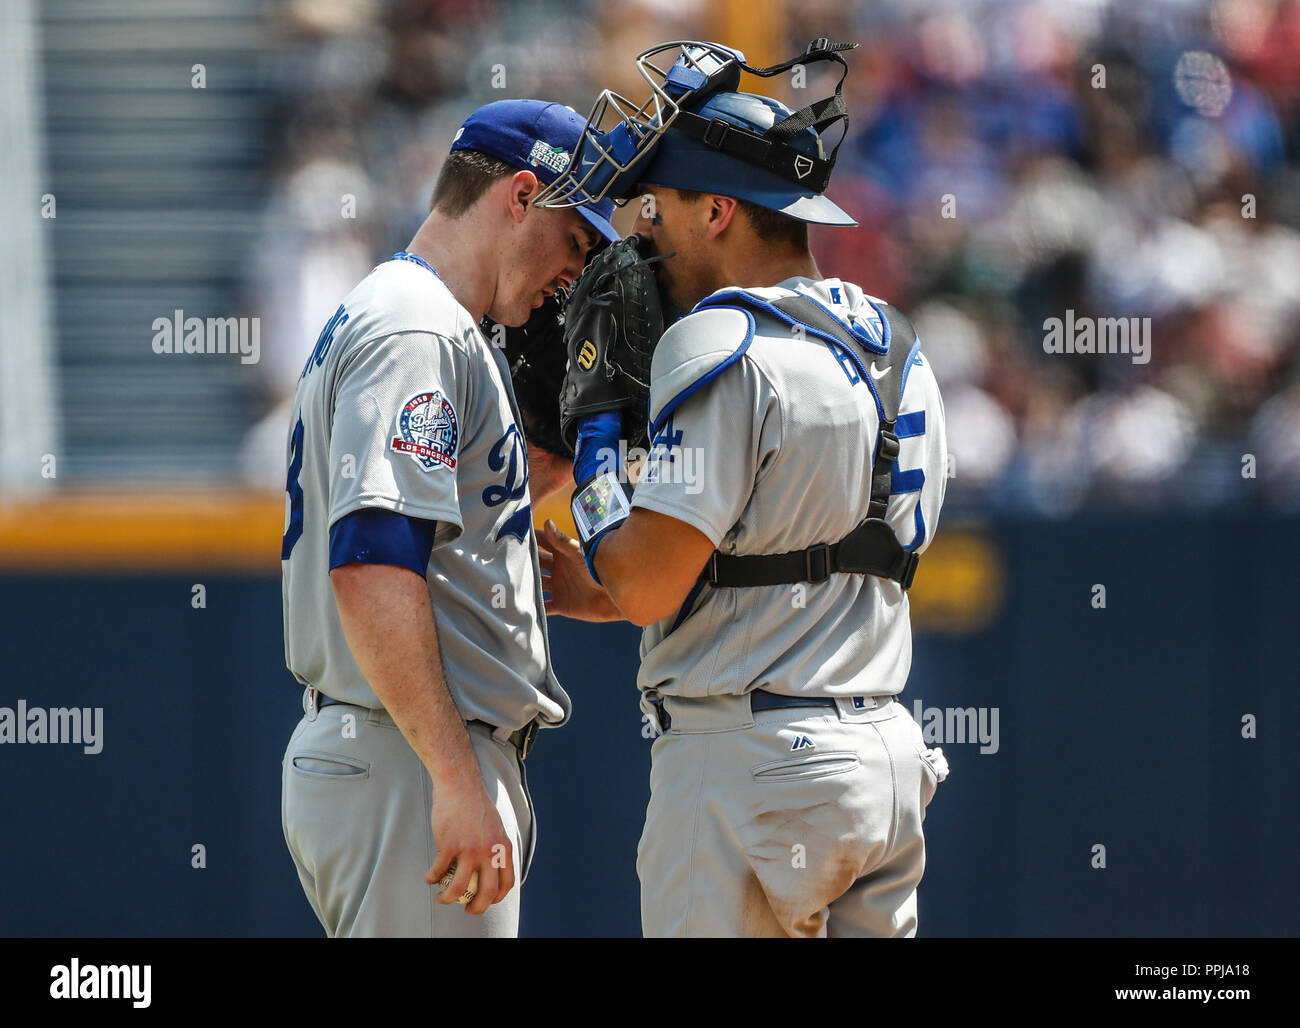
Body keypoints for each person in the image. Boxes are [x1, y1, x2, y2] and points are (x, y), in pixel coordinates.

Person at [536, 41, 950, 937]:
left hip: (753, 770)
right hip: (881, 763)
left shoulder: (721, 340)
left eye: (659, 207)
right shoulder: (898, 345)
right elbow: (792, 558)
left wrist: (599, 438)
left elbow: (648, 581)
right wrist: (608, 593)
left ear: (717, 210)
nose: (642, 231)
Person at [279, 98, 618, 938]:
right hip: (406, 759)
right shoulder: (417, 326)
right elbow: (371, 565)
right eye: (577, 239)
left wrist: (542, 480)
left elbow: (428, 531)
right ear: (521, 196)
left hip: (396, 754)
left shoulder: (424, 322)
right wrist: (456, 777)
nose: (576, 272)